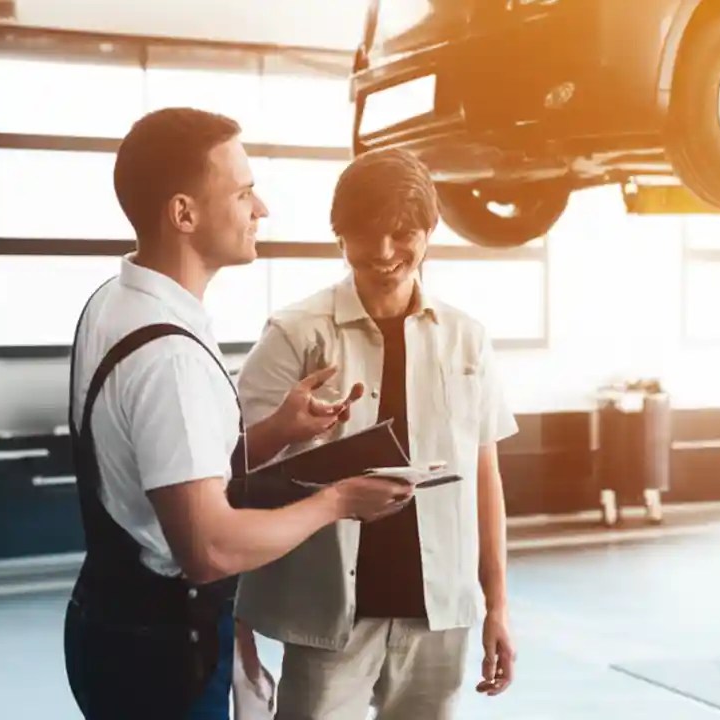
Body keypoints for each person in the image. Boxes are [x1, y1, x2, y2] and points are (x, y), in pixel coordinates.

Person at [64, 108, 413, 720]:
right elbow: (210, 547)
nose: (262, 209)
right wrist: (338, 502)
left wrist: (279, 430)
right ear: (184, 214)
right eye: (244, 192)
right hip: (162, 656)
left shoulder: (113, 302)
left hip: (110, 621)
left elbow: (168, 472)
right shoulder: (170, 358)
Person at [235, 148, 519, 719]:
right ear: (340, 236)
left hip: (438, 613)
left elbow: (484, 477)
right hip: (331, 615)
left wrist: (497, 607)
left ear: (429, 231)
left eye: (403, 233)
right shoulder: (296, 332)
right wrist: (286, 429)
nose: (385, 252)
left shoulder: (467, 337)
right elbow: (233, 466)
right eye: (367, 234)